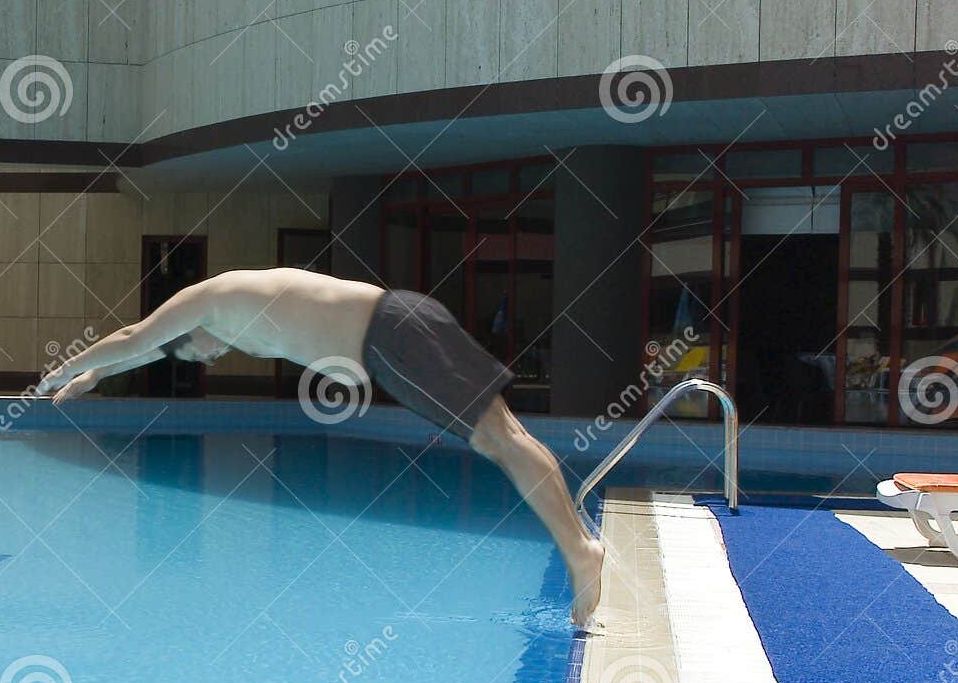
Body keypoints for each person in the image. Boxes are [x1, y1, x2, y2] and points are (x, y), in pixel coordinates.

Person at [34, 267, 604, 626]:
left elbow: (139, 337)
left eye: (193, 354)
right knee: (502, 440)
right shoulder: (223, 319)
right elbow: (148, 348)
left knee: (502, 441)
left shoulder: (204, 300)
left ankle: (580, 550)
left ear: (188, 332)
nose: (207, 359)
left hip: (393, 334)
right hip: (394, 335)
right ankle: (580, 544)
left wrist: (69, 369)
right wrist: (100, 377)